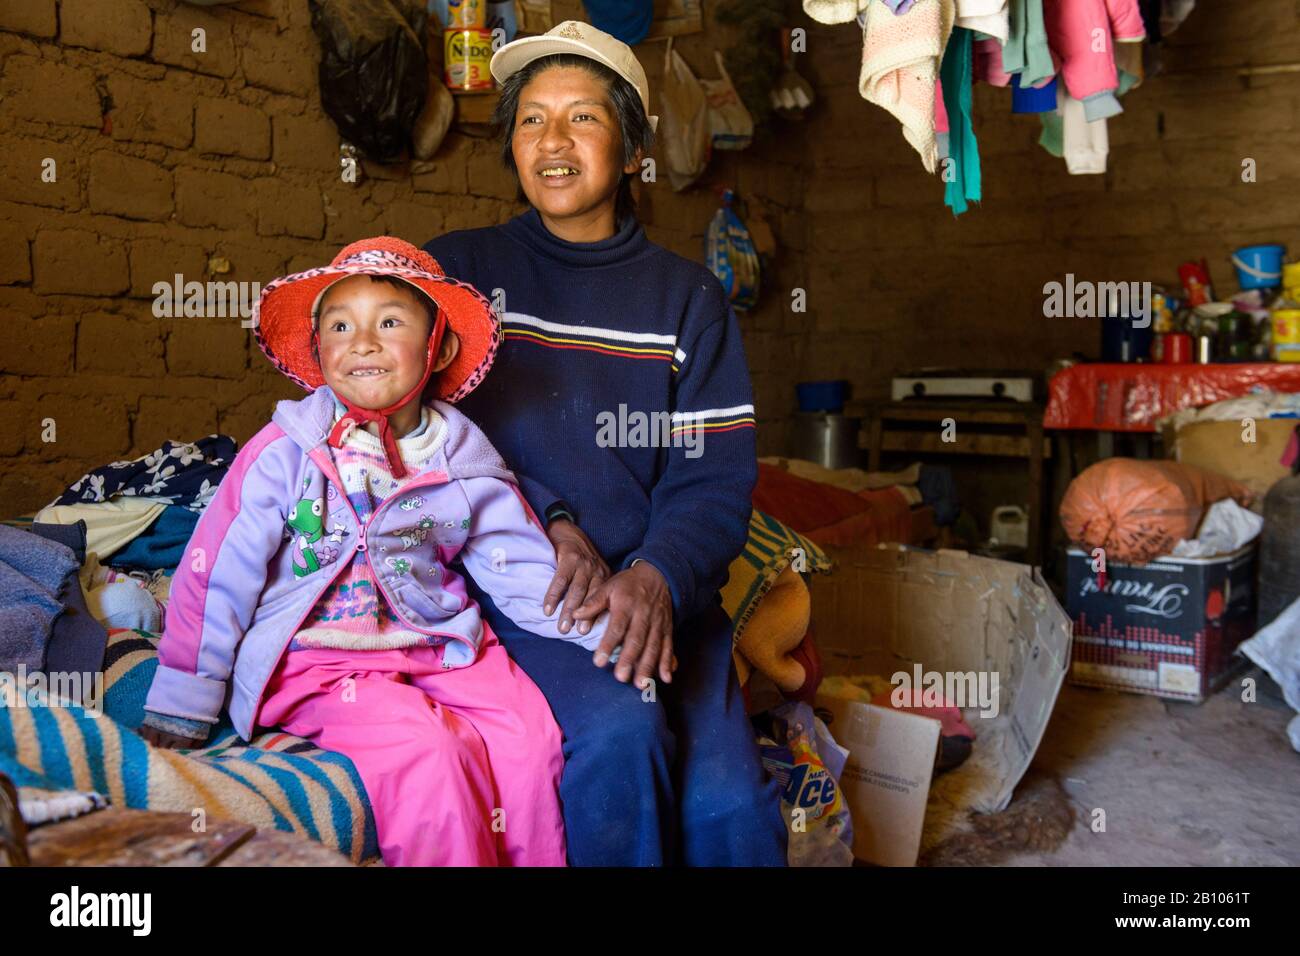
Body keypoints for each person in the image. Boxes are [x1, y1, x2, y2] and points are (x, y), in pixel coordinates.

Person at [424, 20, 788, 866]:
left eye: (583, 118)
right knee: (622, 735)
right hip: (516, 593)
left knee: (733, 806)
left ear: (630, 152)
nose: (553, 141)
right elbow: (415, 437)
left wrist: (657, 575)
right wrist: (545, 518)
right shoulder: (455, 279)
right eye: (531, 120)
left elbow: (714, 478)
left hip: (659, 600)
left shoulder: (688, 300)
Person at [137, 236, 612, 867]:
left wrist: (607, 634)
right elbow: (215, 573)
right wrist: (185, 696)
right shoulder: (285, 454)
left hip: (439, 648)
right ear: (318, 348)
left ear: (437, 346)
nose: (362, 341)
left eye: (389, 322)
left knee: (530, 739)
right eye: (340, 325)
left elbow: (521, 569)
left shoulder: (464, 462)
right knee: (429, 751)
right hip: (319, 662)